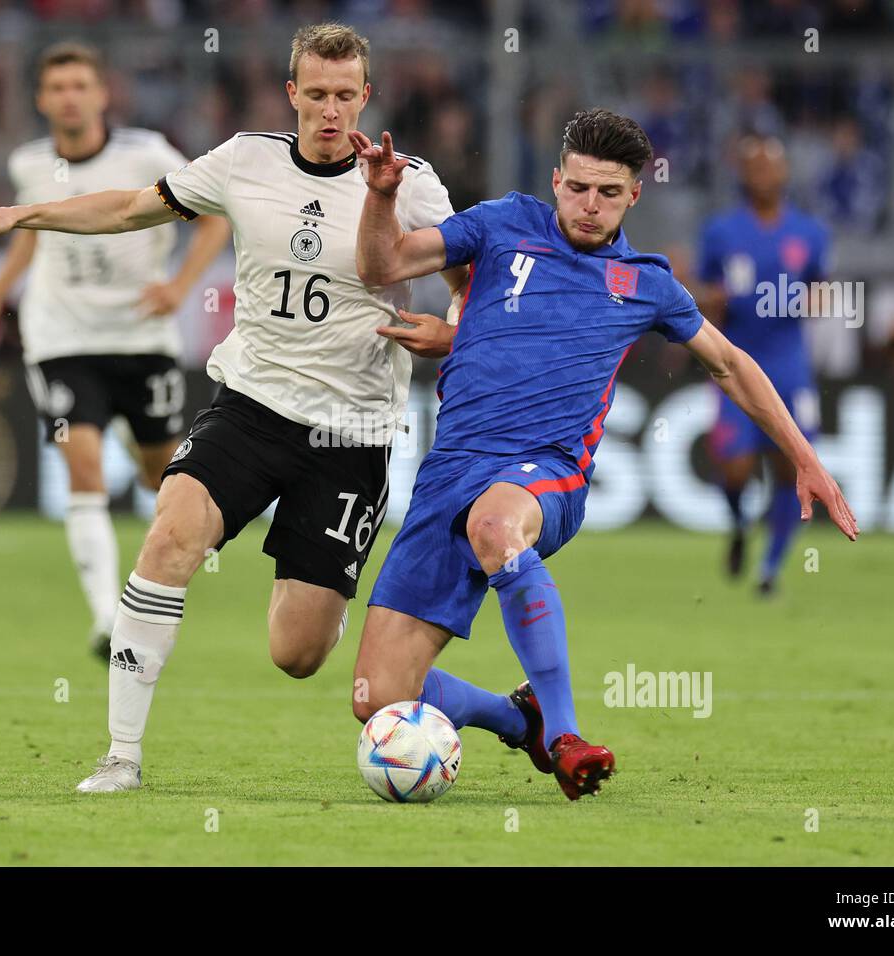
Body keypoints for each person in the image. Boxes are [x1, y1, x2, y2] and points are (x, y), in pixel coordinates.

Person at [0, 24, 468, 793]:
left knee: (297, 654)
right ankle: (121, 755)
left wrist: (452, 336)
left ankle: (329, 590)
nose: (329, 110)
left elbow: (468, 284)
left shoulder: (408, 183)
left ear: (366, 96)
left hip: (352, 429)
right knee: (170, 538)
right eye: (315, 94)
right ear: (292, 93)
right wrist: (25, 216)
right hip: (251, 403)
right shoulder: (243, 160)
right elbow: (128, 209)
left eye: (344, 95)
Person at [347, 110, 858, 800]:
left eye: (608, 193)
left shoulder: (645, 282)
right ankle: (516, 717)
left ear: (634, 196)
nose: (590, 206)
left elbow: (730, 363)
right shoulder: (502, 223)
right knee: (377, 698)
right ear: (556, 181)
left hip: (546, 473)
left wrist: (805, 458)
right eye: (578, 188)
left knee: (496, 526)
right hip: (449, 474)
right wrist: (380, 196)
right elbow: (383, 263)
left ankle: (564, 735)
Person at [0, 42, 230, 659]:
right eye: (57, 87)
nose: (69, 97)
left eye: (80, 86)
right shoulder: (27, 164)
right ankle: (107, 621)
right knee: (81, 464)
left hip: (141, 339)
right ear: (42, 99)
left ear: (101, 94)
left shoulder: (148, 154)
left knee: (157, 472)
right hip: (62, 338)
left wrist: (179, 284)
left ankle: (156, 581)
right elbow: (33, 233)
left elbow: (215, 216)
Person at [696, 134, 831, 595]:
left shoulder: (810, 232)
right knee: (733, 468)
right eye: (753, 168)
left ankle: (770, 569)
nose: (762, 176)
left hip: (789, 365)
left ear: (784, 173)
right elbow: (702, 296)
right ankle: (737, 523)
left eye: (769, 167)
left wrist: (816, 300)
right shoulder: (721, 232)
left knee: (792, 469)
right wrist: (712, 300)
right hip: (736, 364)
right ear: (743, 176)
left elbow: (822, 288)